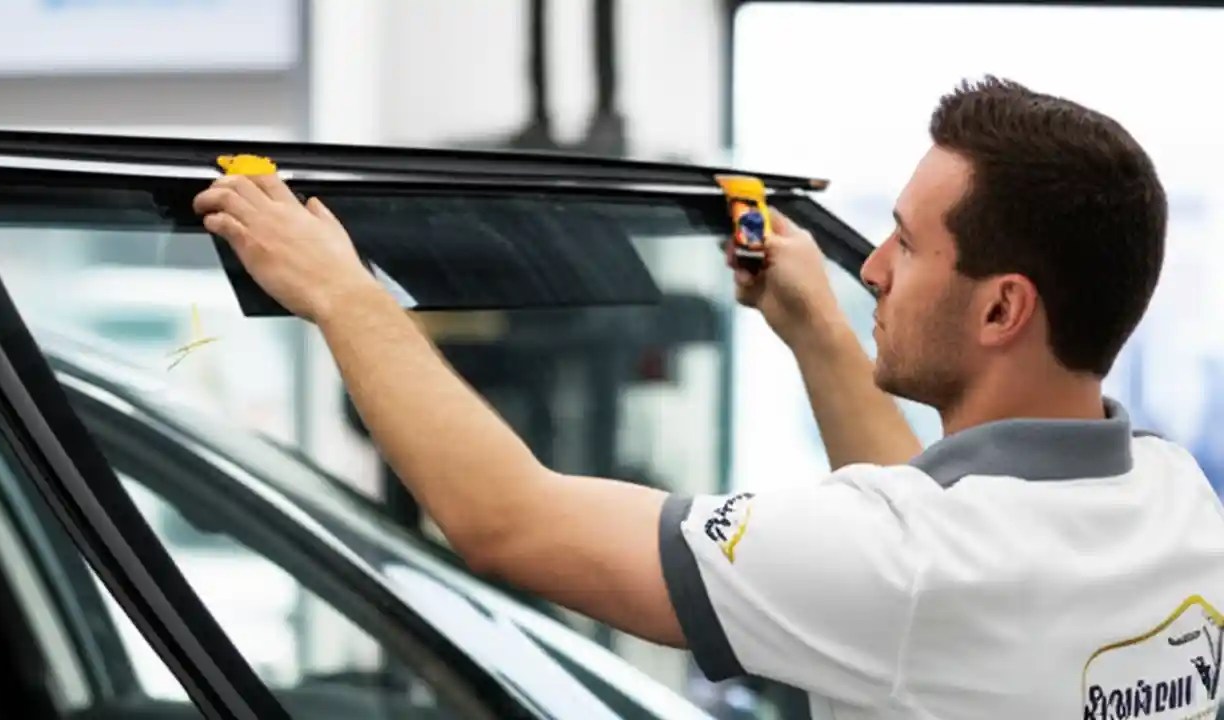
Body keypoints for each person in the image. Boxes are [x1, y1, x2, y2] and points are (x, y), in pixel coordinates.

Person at [193, 76, 1224, 719]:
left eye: (906, 246)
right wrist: (815, 330)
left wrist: (336, 290)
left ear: (1001, 310)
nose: (870, 269)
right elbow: (926, 549)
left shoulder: (906, 566)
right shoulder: (1174, 506)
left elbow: (507, 522)